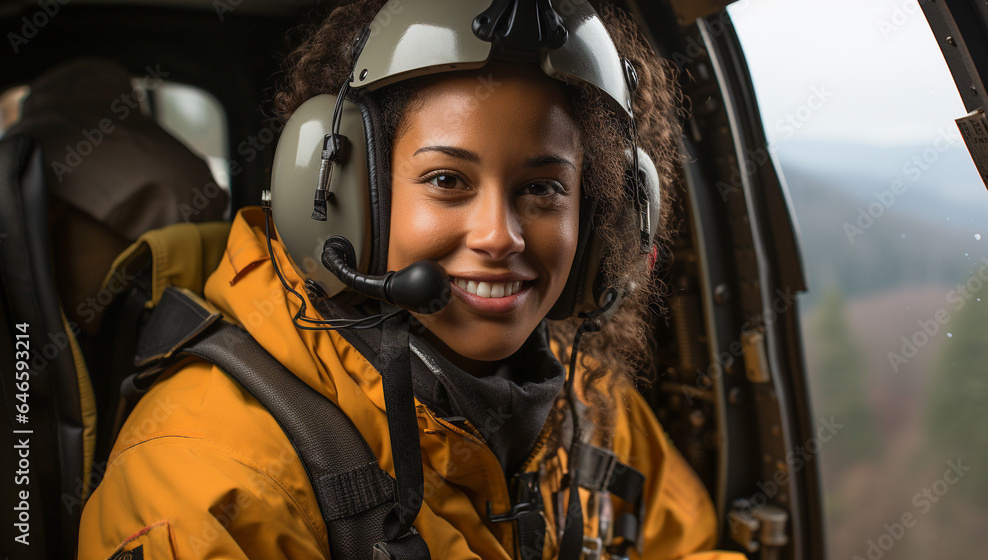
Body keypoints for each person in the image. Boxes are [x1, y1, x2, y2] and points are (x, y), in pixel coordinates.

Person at [78, 1, 746, 559]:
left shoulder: (587, 402)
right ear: (344, 199)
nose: (500, 236)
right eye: (447, 180)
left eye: (543, 188)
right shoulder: (206, 484)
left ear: (600, 216)